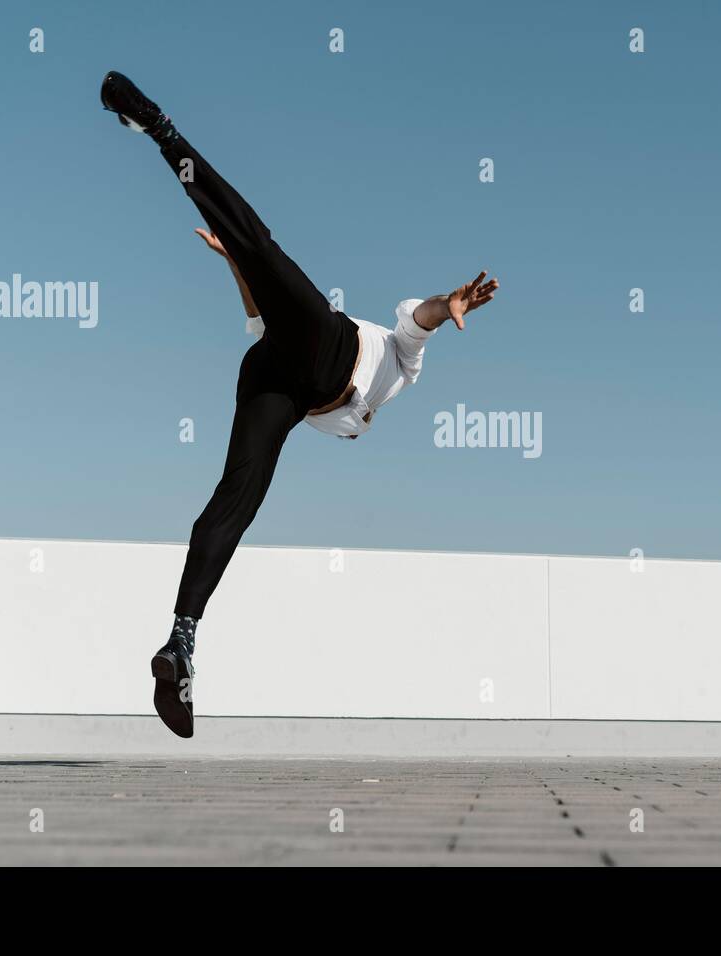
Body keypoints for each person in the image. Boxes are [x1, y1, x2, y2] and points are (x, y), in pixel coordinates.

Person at [99, 71, 500, 737]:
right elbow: (420, 321)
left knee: (238, 499)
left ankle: (180, 643)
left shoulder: (353, 407)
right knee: (262, 245)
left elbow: (259, 324)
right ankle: (163, 134)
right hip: (325, 344)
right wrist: (447, 304)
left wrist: (236, 268)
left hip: (279, 379)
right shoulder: (400, 360)